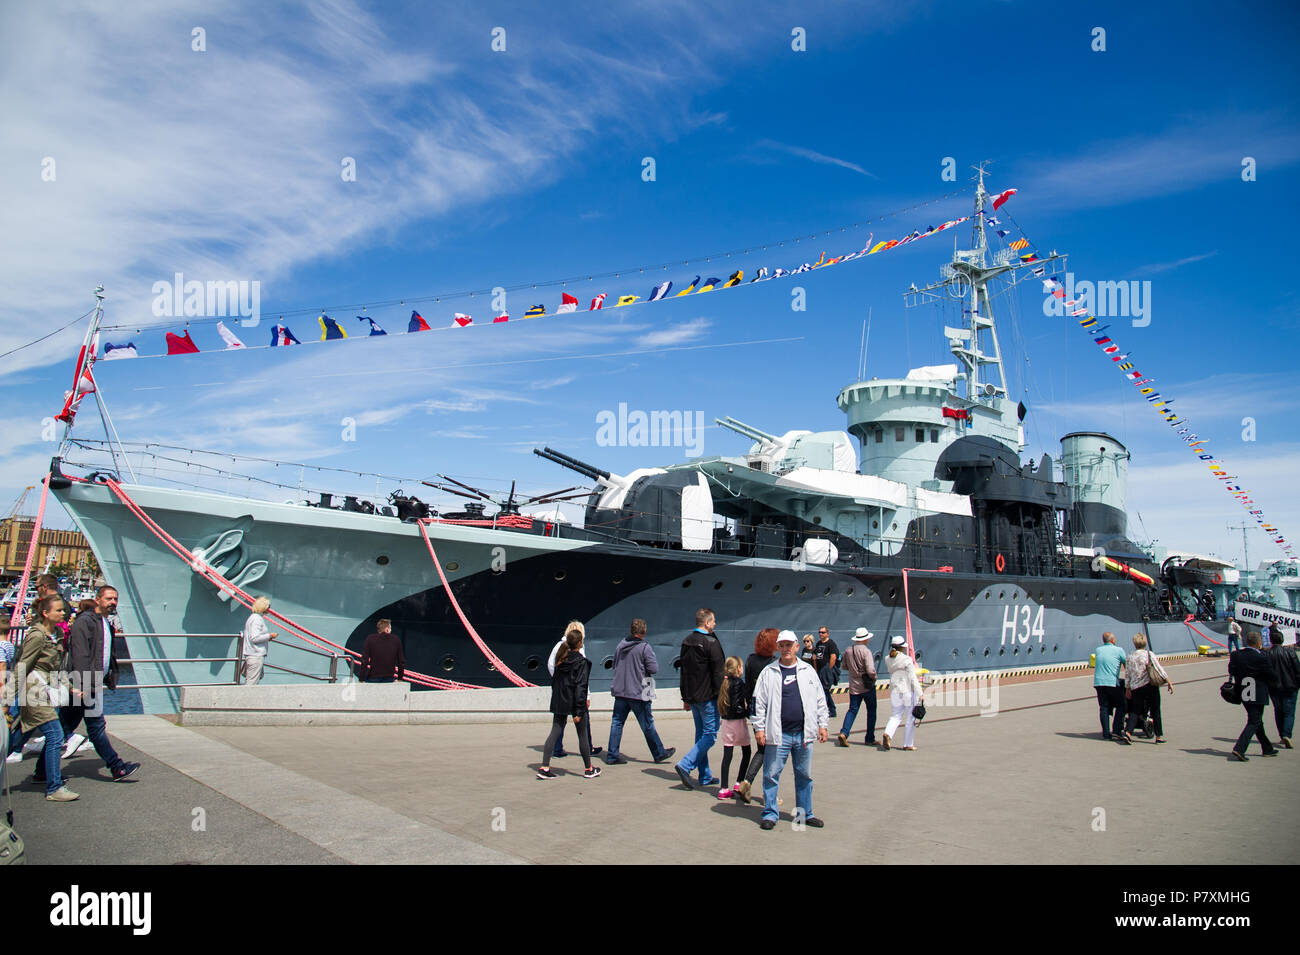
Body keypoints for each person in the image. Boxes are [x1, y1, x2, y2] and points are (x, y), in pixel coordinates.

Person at [750, 630, 828, 830]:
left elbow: (820, 699)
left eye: (789, 645)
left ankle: (805, 814)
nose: (785, 649)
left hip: (803, 734)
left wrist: (822, 724)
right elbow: (758, 702)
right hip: (779, 734)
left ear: (796, 647)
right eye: (782, 645)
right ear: (778, 647)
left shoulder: (808, 671)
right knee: (771, 775)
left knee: (804, 775)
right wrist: (759, 728)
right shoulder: (769, 672)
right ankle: (770, 813)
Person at [64, 585, 140, 781]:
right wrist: (82, 686)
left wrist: (108, 676)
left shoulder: (105, 622)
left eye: (115, 599)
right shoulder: (85, 622)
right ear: (98, 599)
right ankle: (117, 767)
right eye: (109, 598)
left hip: (92, 684)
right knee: (93, 727)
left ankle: (41, 772)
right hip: (85, 685)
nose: (113, 602)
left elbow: (105, 653)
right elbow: (80, 655)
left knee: (66, 728)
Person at [7, 595, 77, 800]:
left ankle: (49, 781)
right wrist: (6, 700)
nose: (63, 613)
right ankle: (54, 787)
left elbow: (57, 666)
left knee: (17, 736)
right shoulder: (37, 636)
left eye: (63, 610)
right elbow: (22, 666)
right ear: (45, 613)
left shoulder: (57, 633)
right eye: (59, 610)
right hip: (34, 691)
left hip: (46, 690)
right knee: (55, 735)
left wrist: (69, 686)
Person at [605, 618, 674, 765]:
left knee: (617, 722)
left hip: (621, 691)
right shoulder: (644, 647)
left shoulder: (620, 645)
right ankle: (659, 753)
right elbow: (654, 669)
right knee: (647, 724)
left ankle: (612, 755)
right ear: (644, 631)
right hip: (638, 691)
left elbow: (615, 665)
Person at [536, 627, 600, 779]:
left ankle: (544, 767)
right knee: (582, 734)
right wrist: (579, 710)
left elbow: (556, 681)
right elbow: (580, 686)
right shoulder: (581, 662)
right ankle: (588, 768)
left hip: (560, 699)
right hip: (574, 700)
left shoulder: (560, 659)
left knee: (555, 731)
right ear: (580, 643)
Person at [675, 608, 724, 789]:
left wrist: (685, 697)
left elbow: (684, 671)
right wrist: (722, 698)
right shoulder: (711, 642)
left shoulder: (687, 641)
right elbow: (718, 673)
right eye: (713, 621)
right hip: (708, 697)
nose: (715, 624)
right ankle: (685, 764)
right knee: (710, 736)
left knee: (700, 734)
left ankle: (704, 775)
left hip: (693, 696)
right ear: (707, 623)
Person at [734, 628, 779, 805]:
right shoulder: (774, 663)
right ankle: (769, 793)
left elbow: (747, 687)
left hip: (755, 710)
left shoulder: (751, 660)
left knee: (762, 749)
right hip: (771, 711)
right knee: (772, 752)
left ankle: (747, 783)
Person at [1228, 629, 1278, 761]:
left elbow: (1231, 670)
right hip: (1257, 692)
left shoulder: (1236, 655)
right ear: (1258, 642)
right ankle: (1239, 748)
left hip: (1243, 690)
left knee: (1256, 720)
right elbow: (1271, 675)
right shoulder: (1261, 657)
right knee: (1254, 721)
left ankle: (1267, 748)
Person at [1123, 633, 1173, 743]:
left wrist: (1127, 688)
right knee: (1155, 710)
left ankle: (1128, 732)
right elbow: (1158, 668)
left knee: (1135, 710)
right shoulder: (1149, 654)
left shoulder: (1130, 657)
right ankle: (1158, 736)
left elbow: (1128, 674)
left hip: (1136, 687)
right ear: (1144, 643)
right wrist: (1168, 681)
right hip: (1150, 686)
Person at [716, 656, 751, 799]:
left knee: (727, 755)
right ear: (738, 669)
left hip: (726, 723)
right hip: (738, 723)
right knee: (747, 751)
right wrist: (747, 712)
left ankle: (724, 788)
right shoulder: (738, 683)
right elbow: (738, 706)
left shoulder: (724, 682)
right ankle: (739, 781)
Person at [837, 627, 877, 746]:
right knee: (871, 712)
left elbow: (844, 666)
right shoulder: (866, 651)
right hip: (867, 686)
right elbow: (870, 670)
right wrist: (874, 677)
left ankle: (844, 733)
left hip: (854, 686)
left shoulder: (848, 650)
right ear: (866, 639)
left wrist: (854, 671)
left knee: (852, 710)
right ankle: (869, 738)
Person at [881, 636, 923, 751]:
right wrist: (920, 693)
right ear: (902, 647)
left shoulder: (887, 659)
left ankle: (888, 733)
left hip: (895, 691)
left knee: (895, 716)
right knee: (910, 717)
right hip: (907, 691)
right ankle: (908, 744)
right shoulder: (907, 659)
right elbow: (912, 678)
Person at [1265, 629, 1299, 748]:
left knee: (1278, 711)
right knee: (1289, 712)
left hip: (1274, 687)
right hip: (1290, 686)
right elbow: (1297, 670)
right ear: (1282, 640)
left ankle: (1282, 735)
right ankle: (1286, 734)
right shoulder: (1290, 652)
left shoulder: (1267, 654)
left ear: (1271, 641)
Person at [1093, 631, 1128, 742]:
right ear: (1113, 640)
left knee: (1104, 707)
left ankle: (1106, 734)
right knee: (1122, 705)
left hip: (1099, 683)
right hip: (1112, 682)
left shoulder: (1098, 650)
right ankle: (1117, 730)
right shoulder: (1119, 650)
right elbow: (1126, 664)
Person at [240, 596, 278, 685]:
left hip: (252, 654)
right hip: (255, 656)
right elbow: (255, 638)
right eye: (268, 606)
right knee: (252, 683)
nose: (269, 608)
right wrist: (269, 636)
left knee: (252, 680)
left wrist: (267, 638)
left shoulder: (253, 618)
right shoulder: (257, 619)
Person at [358, 618, 405, 683]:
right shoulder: (396, 640)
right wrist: (400, 678)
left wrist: (361, 679)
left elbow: (364, 660)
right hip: (389, 678)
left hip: (373, 677)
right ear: (387, 629)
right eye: (390, 628)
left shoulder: (370, 639)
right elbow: (401, 662)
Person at [814, 626, 839, 718]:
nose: (821, 634)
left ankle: (823, 711)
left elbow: (833, 657)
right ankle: (832, 710)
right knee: (825, 691)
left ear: (827, 633)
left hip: (826, 670)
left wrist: (829, 668)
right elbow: (816, 657)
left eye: (823, 632)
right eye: (819, 632)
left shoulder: (830, 643)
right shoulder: (818, 643)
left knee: (824, 690)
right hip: (820, 670)